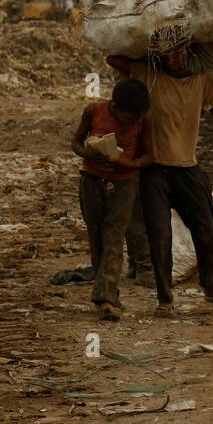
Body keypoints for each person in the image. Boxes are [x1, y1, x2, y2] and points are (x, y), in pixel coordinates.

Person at [107, 5, 213, 317]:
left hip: (187, 168)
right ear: (159, 55)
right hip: (152, 170)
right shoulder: (147, 75)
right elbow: (113, 58)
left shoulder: (202, 81)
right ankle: (165, 300)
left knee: (205, 228)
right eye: (167, 54)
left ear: (190, 53)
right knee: (159, 235)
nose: (174, 59)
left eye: (179, 53)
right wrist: (144, 41)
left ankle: (211, 286)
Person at [70, 79, 153, 321]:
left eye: (137, 117)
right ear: (115, 107)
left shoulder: (143, 120)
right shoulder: (94, 111)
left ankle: (105, 297)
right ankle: (108, 292)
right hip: (91, 180)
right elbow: (76, 142)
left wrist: (130, 164)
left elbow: (149, 155)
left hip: (124, 183)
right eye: (129, 117)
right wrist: (89, 153)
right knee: (96, 238)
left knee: (114, 237)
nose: (133, 121)